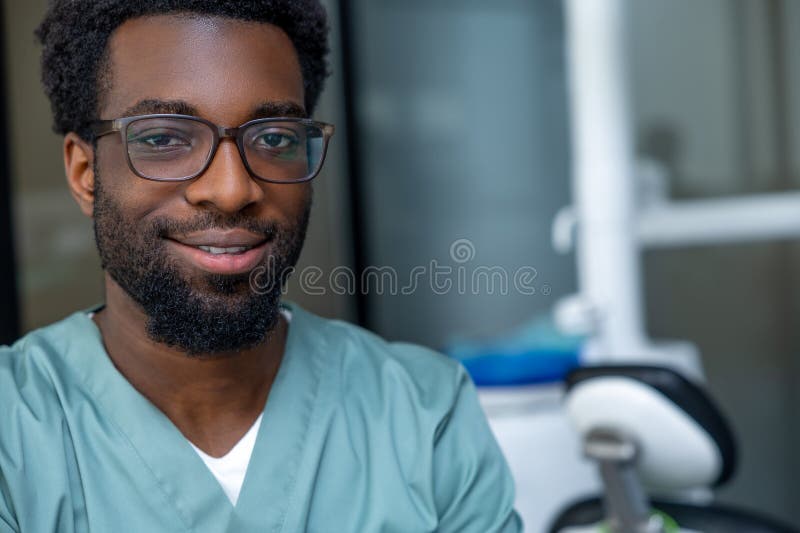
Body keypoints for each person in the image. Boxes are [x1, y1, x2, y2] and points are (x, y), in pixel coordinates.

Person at [0, 1, 522, 532]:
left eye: (274, 138)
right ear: (86, 173)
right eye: (163, 139)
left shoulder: (423, 413)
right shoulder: (13, 436)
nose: (231, 190)